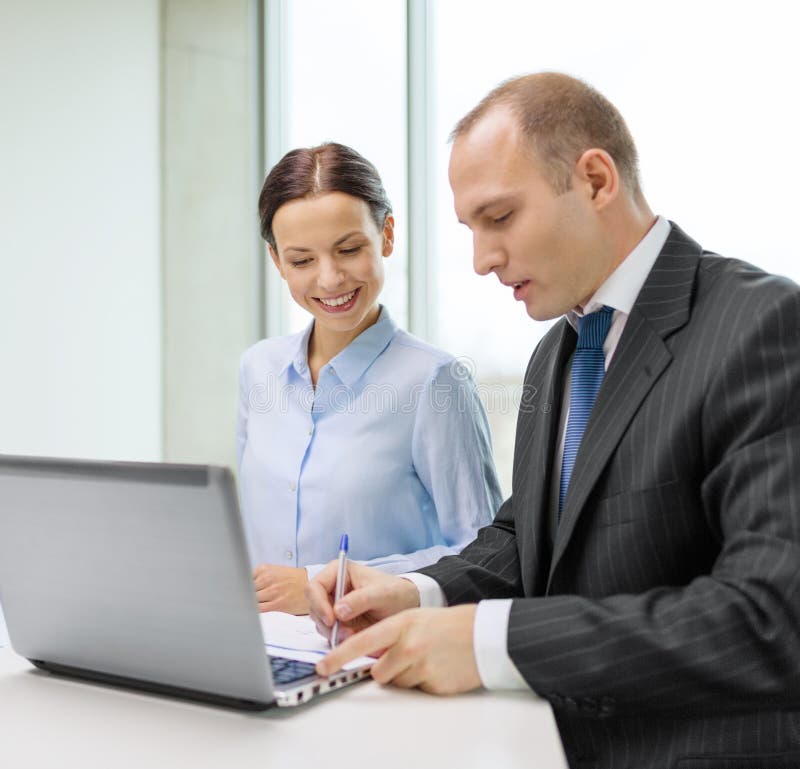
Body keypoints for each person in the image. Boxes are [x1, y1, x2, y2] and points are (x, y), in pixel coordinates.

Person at [307, 73, 800, 767]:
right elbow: (533, 532)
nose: (482, 259)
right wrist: (422, 591)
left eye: (500, 218)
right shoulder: (556, 352)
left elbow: (771, 619)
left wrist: (489, 640)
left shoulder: (761, 326)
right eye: (471, 229)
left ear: (596, 179)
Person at [238, 142, 502, 616]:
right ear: (277, 261)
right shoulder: (258, 369)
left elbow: (486, 556)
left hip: (376, 652)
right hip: (258, 647)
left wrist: (328, 584)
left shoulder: (435, 381)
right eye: (302, 261)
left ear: (386, 235)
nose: (330, 278)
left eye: (349, 249)